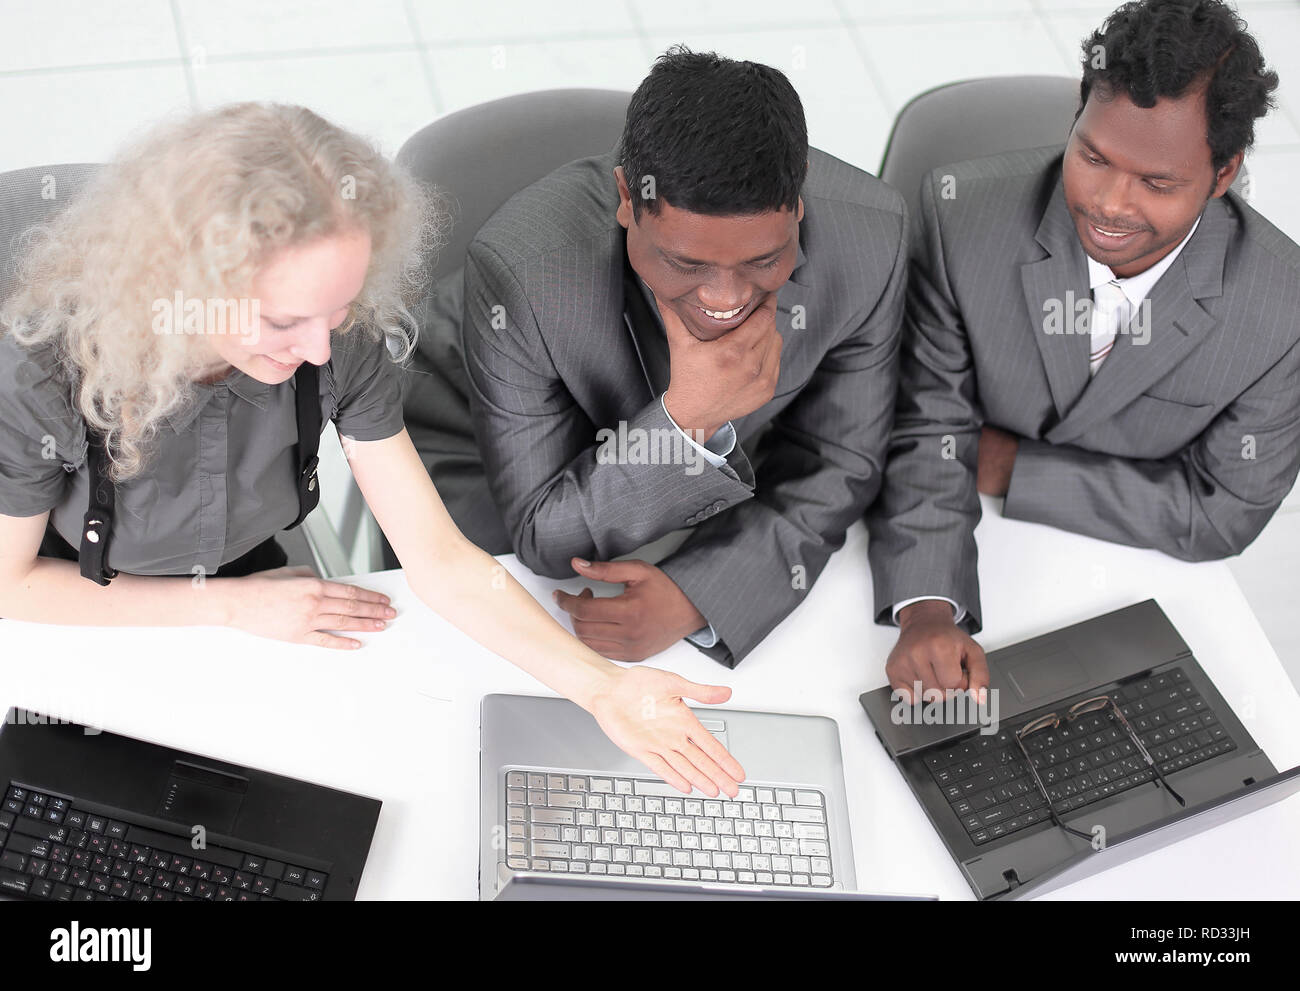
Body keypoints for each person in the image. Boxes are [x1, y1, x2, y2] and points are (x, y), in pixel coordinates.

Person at [0, 102, 745, 798]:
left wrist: (602, 688)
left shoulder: (333, 342)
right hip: (80, 606)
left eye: (340, 308)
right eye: (284, 320)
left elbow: (439, 559)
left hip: (250, 586)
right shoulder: (42, 372)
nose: (319, 347)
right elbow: (11, 586)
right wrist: (226, 606)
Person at [867, 0, 1298, 701]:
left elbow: (1222, 514)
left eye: (1157, 183)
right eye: (1094, 156)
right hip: (963, 544)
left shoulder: (1282, 310)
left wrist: (1014, 467)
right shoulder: (959, 218)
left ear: (1223, 174)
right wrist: (928, 608)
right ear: (1076, 114)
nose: (1109, 204)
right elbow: (925, 431)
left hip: (1129, 589)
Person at [437, 47, 906, 669]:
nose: (725, 300)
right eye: (685, 264)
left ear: (798, 206)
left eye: (763, 262)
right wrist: (688, 420)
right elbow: (542, 537)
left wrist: (701, 591)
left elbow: (839, 458)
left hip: (716, 497)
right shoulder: (523, 272)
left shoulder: (876, 236)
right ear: (627, 198)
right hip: (478, 445)